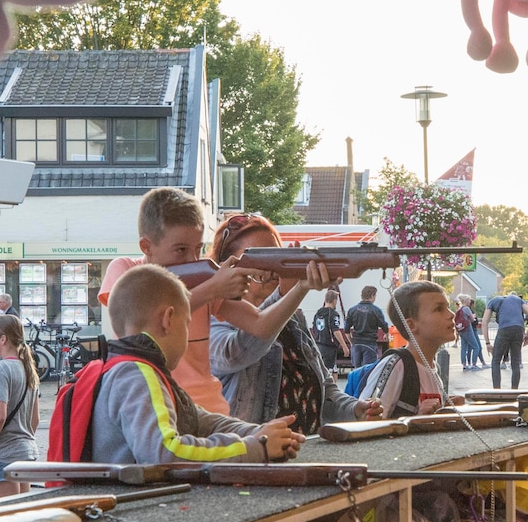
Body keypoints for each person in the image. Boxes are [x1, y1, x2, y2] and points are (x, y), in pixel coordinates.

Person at [98, 188, 320, 415]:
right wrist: (213, 289)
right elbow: (148, 323)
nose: (193, 259)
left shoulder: (203, 279)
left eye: (198, 249)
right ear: (146, 247)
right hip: (156, 409)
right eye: (181, 250)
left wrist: (299, 288)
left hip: (211, 412)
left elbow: (260, 325)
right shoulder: (125, 271)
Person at [92, 264, 305, 463]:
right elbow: (164, 453)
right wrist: (256, 447)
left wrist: (260, 433)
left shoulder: (137, 371)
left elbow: (201, 421)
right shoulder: (137, 375)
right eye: (187, 323)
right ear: (168, 319)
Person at [207, 214, 381, 431]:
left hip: (304, 446)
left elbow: (324, 386)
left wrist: (354, 409)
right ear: (227, 266)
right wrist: (289, 292)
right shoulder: (212, 314)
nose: (270, 268)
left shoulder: (293, 318)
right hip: (252, 449)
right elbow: (234, 354)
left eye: (275, 255)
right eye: (259, 257)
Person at [357, 281, 465, 418]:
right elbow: (366, 422)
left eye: (448, 307)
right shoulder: (397, 366)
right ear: (411, 325)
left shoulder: (433, 368)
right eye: (439, 309)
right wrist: (417, 419)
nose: (452, 315)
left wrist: (444, 408)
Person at [0, 314, 39, 499]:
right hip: (26, 451)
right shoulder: (28, 369)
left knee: (7, 512)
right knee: (22, 512)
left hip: (5, 453)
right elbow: (34, 419)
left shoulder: (0, 370)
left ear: (3, 339)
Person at [483, 291, 528, 389]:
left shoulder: (493, 301)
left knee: (496, 360)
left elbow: (485, 322)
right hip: (519, 329)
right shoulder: (518, 299)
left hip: (504, 329)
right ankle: (514, 390)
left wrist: (487, 343)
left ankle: (497, 390)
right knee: (515, 362)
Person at [344, 286, 390, 368]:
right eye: (375, 296)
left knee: (357, 370)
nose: (375, 298)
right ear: (372, 295)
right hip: (370, 344)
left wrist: (352, 342)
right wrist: (386, 334)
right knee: (368, 370)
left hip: (356, 344)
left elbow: (346, 329)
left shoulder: (352, 310)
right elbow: (384, 325)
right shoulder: (376, 310)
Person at [312, 289, 347, 373]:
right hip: (329, 347)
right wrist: (344, 345)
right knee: (328, 371)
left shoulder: (318, 313)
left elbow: (314, 328)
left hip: (319, 344)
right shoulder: (333, 314)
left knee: (329, 370)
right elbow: (336, 330)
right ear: (334, 301)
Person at [454, 294, 485, 370]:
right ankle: (474, 364)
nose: (470, 301)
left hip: (461, 330)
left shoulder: (459, 309)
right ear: (465, 300)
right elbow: (472, 320)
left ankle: (464, 365)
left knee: (463, 347)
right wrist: (473, 317)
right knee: (476, 347)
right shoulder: (467, 309)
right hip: (468, 329)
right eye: (469, 300)